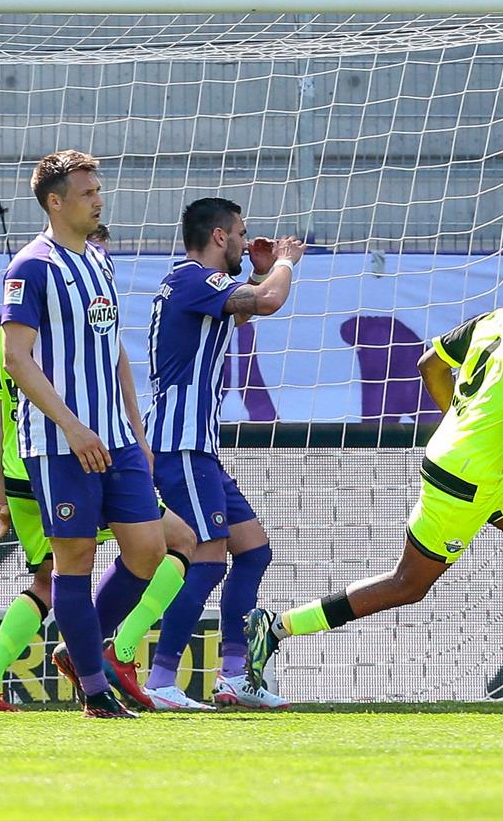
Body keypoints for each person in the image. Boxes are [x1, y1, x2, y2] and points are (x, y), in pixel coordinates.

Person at [244, 249, 503, 698]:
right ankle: (277, 628)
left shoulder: (501, 318)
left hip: (479, 464)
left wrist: (457, 421)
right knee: (408, 584)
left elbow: (429, 362)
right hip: (468, 476)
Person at [0, 225, 194, 712]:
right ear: (56, 201)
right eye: (89, 191)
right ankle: (92, 683)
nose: (99, 199)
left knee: (152, 547)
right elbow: (5, 405)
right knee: (69, 568)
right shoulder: (30, 275)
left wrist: (135, 429)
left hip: (109, 443)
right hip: (51, 452)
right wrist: (3, 494)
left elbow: (114, 354)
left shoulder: (100, 264)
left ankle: (63, 657)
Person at [139, 198, 305, 711]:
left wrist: (254, 276)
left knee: (253, 549)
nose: (243, 240)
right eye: (240, 233)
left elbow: (242, 310)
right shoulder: (190, 278)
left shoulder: (196, 290)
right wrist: (281, 263)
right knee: (206, 561)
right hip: (180, 445)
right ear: (218, 237)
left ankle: (234, 676)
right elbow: (269, 302)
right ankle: (161, 679)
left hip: (198, 448)